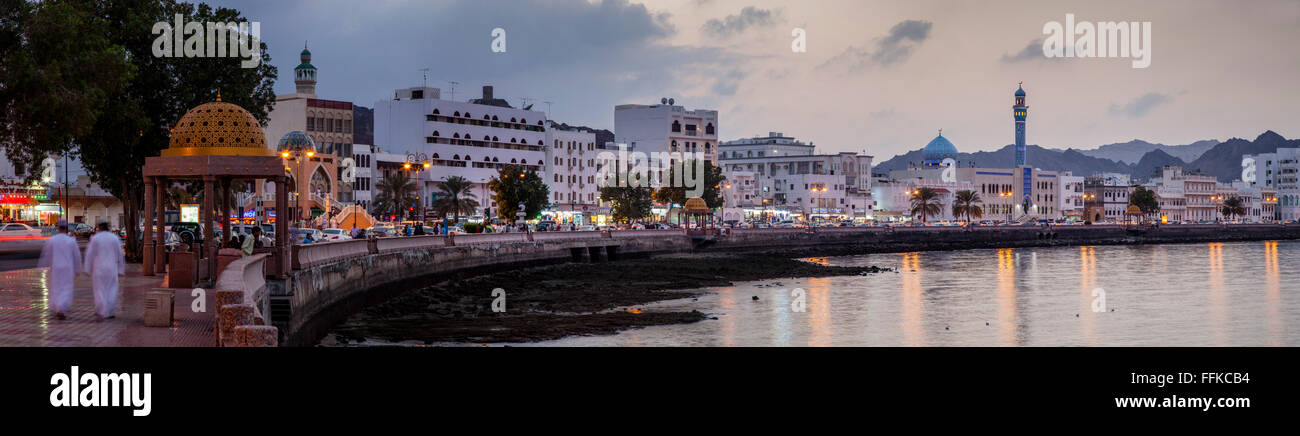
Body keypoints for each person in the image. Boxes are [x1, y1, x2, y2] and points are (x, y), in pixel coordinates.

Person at [38, 220, 81, 320]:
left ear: (58, 228)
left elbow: (46, 254)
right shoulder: (71, 240)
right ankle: (62, 307)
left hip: (56, 267)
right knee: (66, 287)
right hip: (67, 268)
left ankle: (58, 307)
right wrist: (77, 269)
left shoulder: (53, 240)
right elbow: (77, 256)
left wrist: (42, 266)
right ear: (66, 228)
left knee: (56, 287)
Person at [83, 222, 125, 320]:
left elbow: (89, 255)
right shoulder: (114, 238)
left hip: (99, 268)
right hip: (111, 268)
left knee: (99, 289)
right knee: (112, 289)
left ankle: (101, 309)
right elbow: (120, 254)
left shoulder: (95, 238)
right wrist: (121, 269)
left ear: (100, 228)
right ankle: (109, 311)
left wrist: (87, 269)